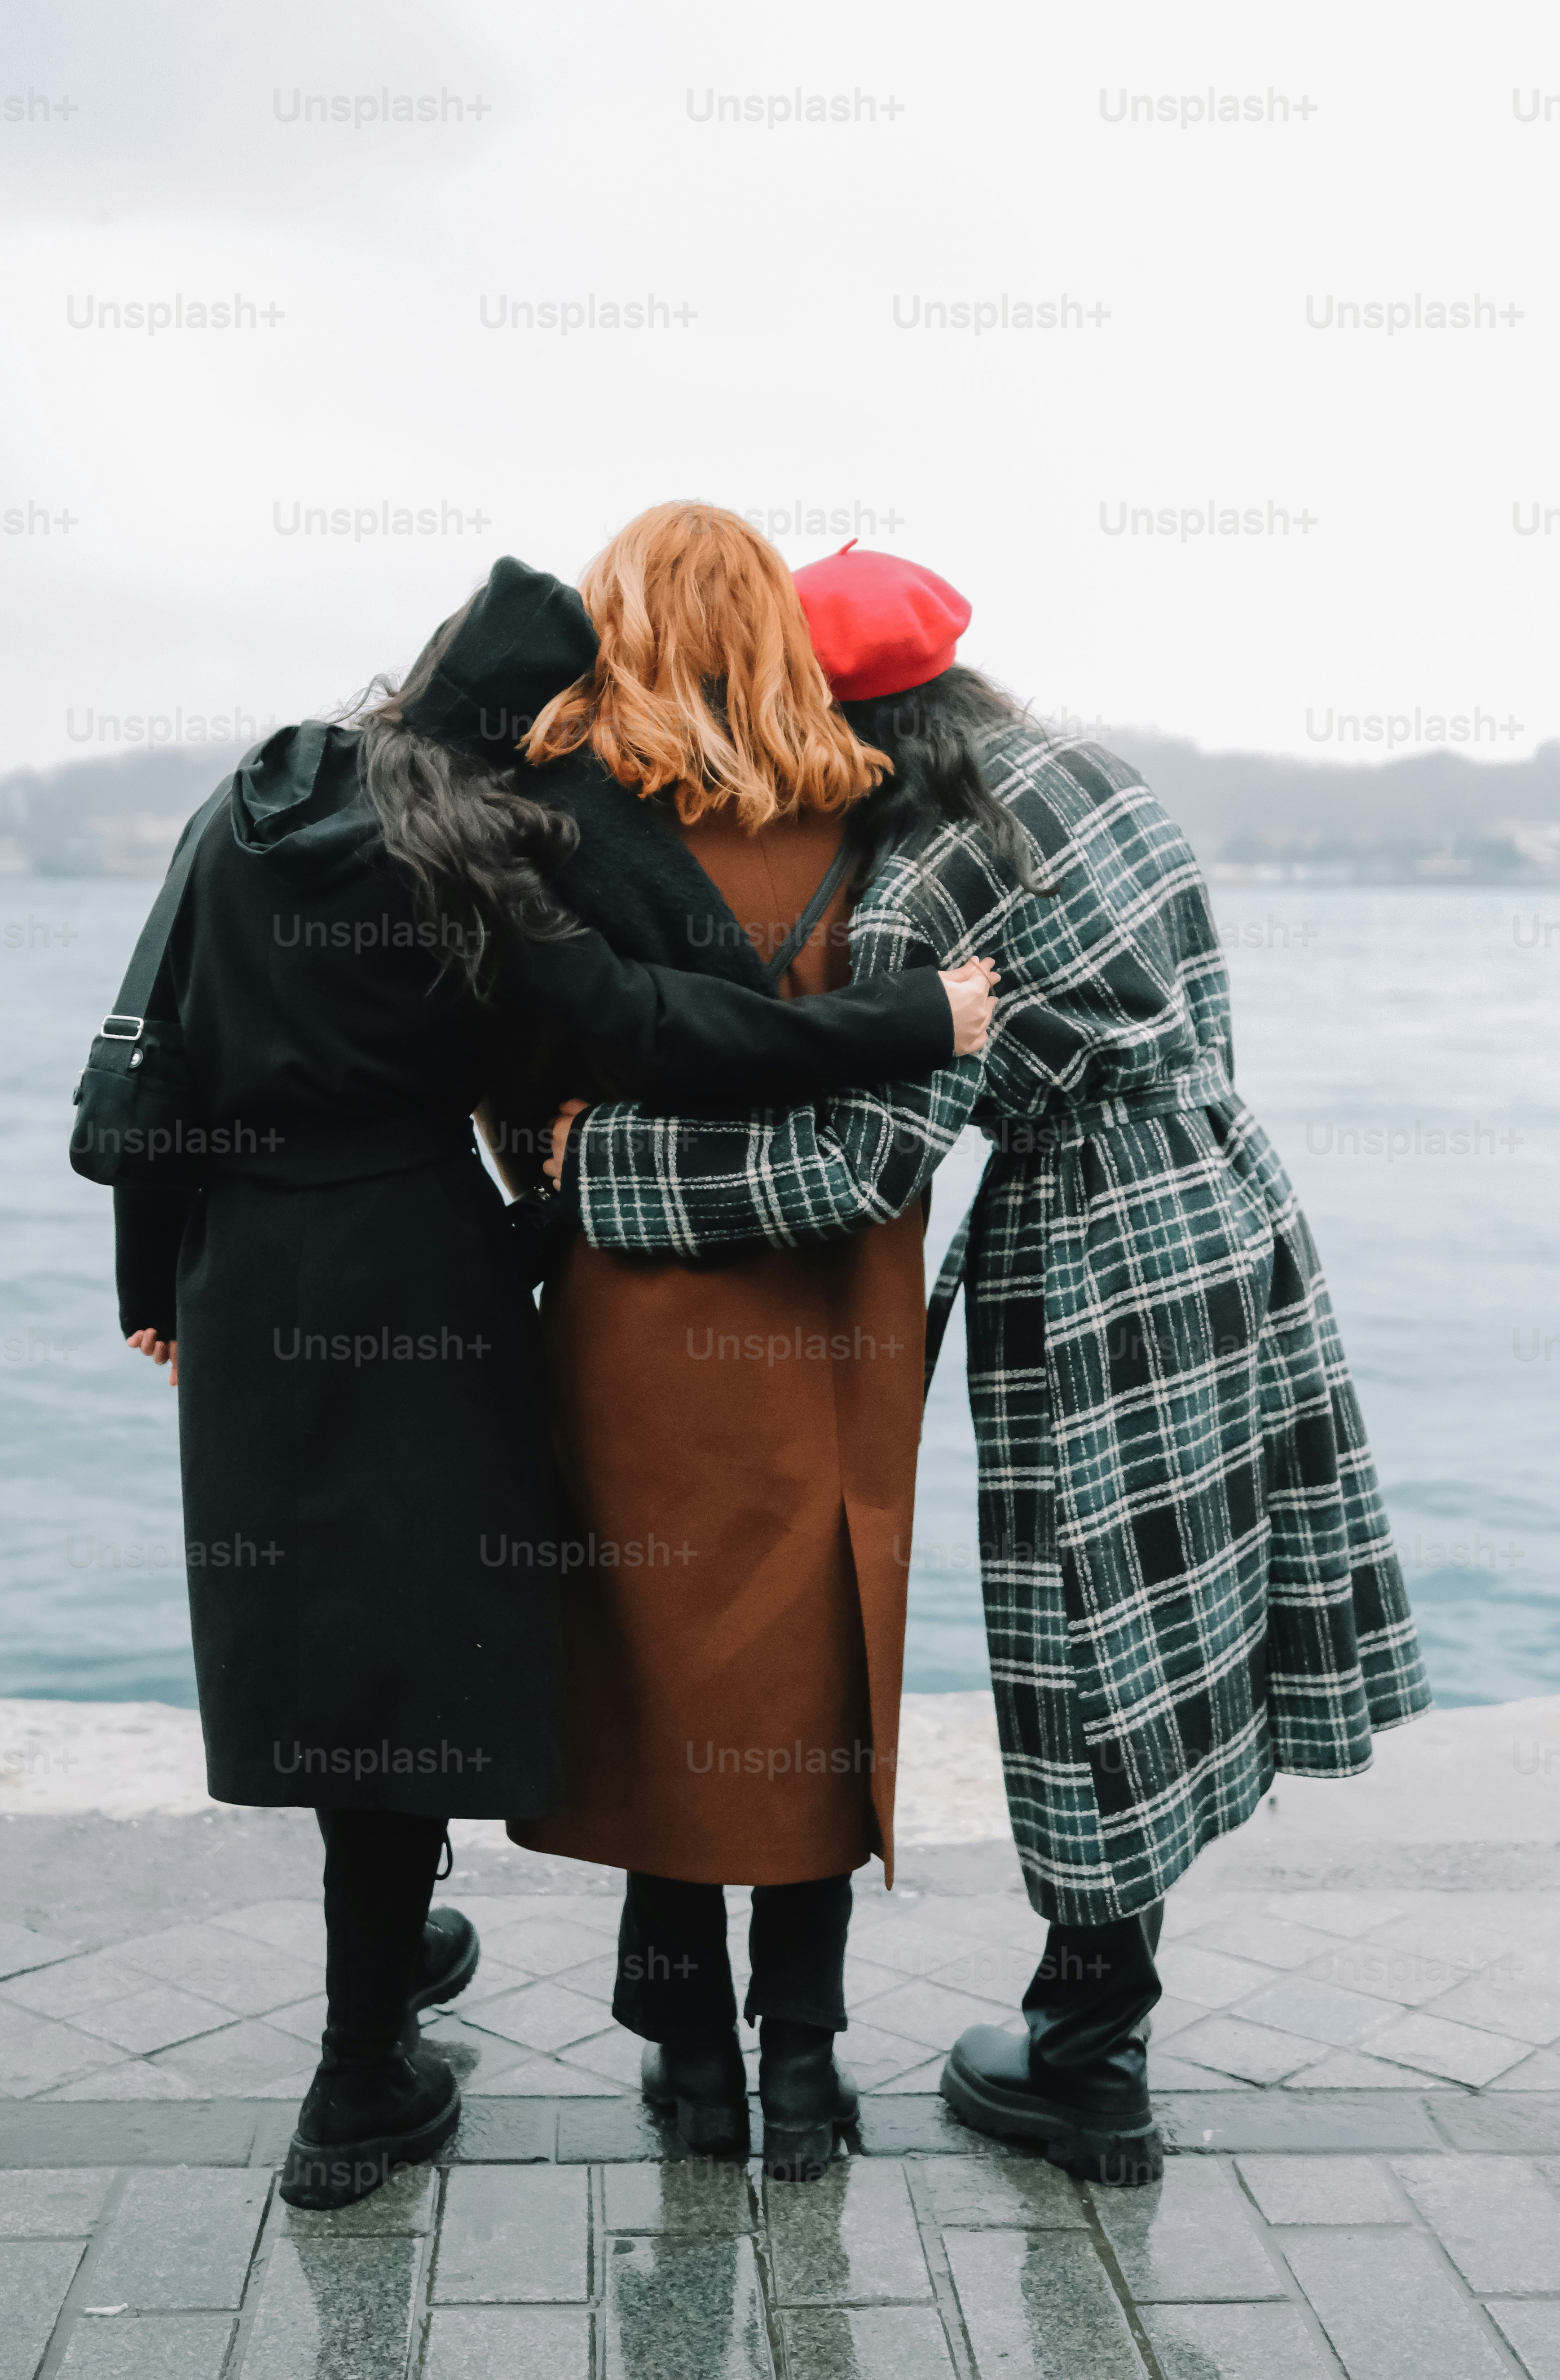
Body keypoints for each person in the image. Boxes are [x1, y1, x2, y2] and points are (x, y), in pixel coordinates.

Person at [101, 566, 992, 2209]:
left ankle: (397, 1991)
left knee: (321, 1646)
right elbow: (650, 1026)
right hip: (424, 1270)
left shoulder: (258, 789)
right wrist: (906, 1018)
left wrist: (150, 1277)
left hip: (242, 1270)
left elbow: (168, 1039)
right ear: (533, 720)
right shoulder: (478, 848)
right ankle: (373, 2070)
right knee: (422, 1644)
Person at [549, 541, 1431, 2188]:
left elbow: (856, 1165)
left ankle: (1092, 2073)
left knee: (1089, 1640)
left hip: (1085, 1243)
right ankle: (1095, 2024)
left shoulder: (922, 875)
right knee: (1170, 1631)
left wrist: (588, 1173)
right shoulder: (1096, 769)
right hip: (1233, 1196)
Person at [416, 503, 996, 2179]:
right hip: (841, 1311)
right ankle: (803, 2066)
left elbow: (524, 1088)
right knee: (818, 1678)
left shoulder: (557, 825)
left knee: (667, 1685)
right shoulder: (883, 821)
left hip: (639, 1315)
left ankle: (690, 2069)